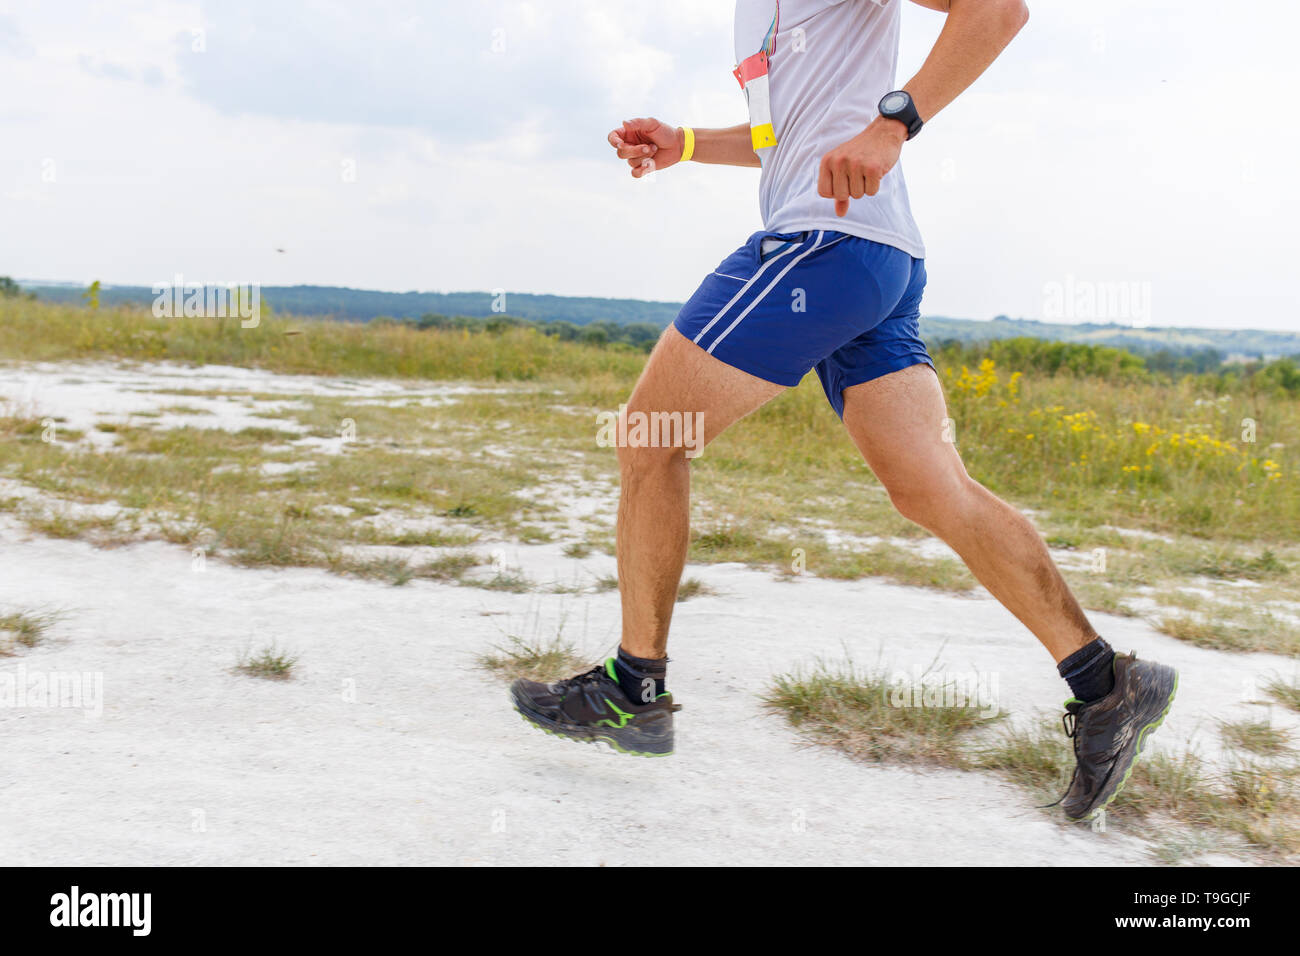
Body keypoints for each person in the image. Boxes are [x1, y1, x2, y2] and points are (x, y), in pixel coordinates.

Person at [511, 0, 1176, 824]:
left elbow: (998, 11)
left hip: (825, 248)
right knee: (935, 492)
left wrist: (896, 122)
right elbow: (781, 141)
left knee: (651, 437)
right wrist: (685, 144)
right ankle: (1107, 683)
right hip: (879, 257)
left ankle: (631, 689)